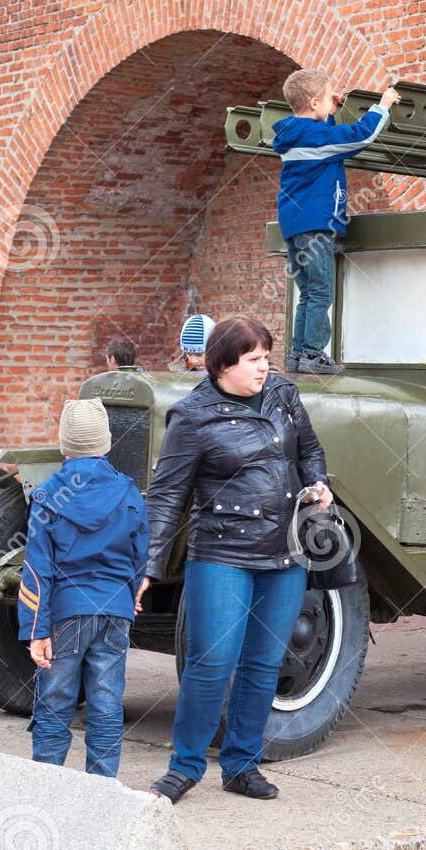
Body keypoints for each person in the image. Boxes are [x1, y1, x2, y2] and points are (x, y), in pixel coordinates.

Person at [141, 316, 330, 803]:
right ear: (223, 364)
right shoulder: (191, 417)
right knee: (211, 662)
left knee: (264, 664)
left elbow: (309, 449)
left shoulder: (283, 395)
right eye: (253, 360)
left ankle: (242, 765)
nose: (264, 368)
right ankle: (184, 767)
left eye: (267, 358)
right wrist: (146, 568)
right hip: (221, 554)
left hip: (285, 551)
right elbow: (165, 498)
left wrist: (319, 481)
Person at [18, 399, 149, 777]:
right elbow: (140, 556)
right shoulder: (129, 493)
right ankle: (102, 789)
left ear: (64, 446)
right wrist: (129, 595)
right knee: (107, 704)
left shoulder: (46, 498)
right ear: (107, 444)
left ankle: (49, 784)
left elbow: (37, 571)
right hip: (114, 612)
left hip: (65, 614)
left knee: (56, 704)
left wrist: (36, 629)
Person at [272, 69, 400, 375]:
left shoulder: (295, 134)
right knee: (321, 292)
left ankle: (298, 354)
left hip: (293, 224)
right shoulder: (316, 137)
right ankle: (314, 354)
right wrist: (382, 105)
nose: (335, 99)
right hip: (316, 225)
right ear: (315, 103)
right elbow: (360, 136)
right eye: (330, 96)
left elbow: (321, 137)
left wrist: (331, 111)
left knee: (308, 291)